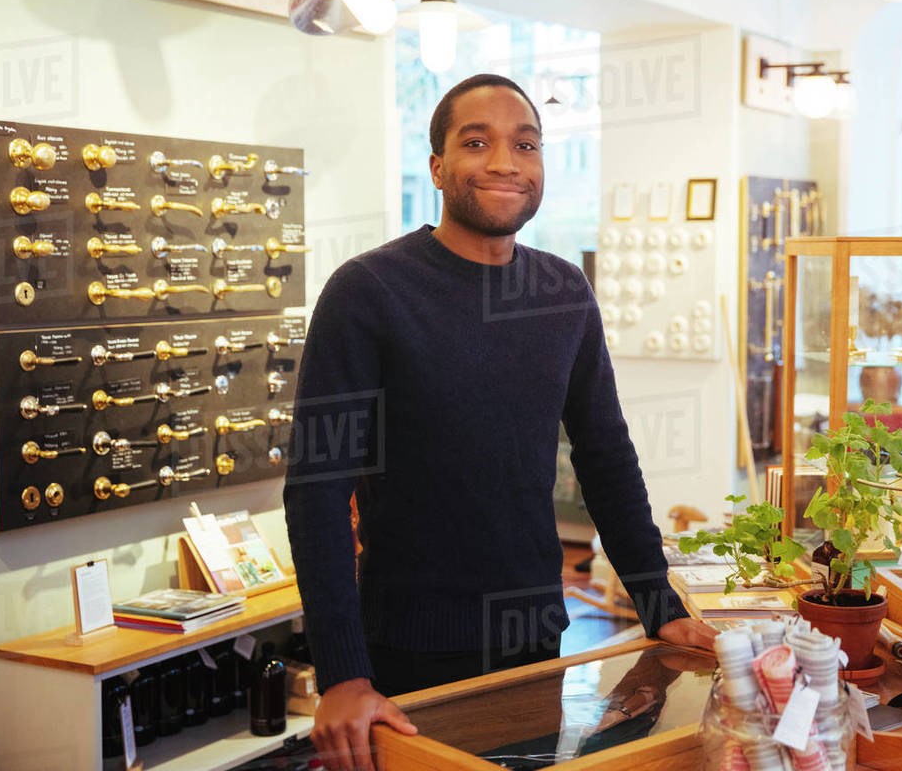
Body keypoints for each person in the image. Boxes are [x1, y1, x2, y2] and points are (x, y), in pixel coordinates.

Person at [283, 73, 716, 771]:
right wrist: (343, 674)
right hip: (408, 646)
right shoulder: (368, 291)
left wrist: (657, 603)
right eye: (477, 142)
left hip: (535, 635)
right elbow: (317, 489)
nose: (506, 163)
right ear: (437, 166)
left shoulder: (563, 291)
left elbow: (605, 452)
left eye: (526, 144)